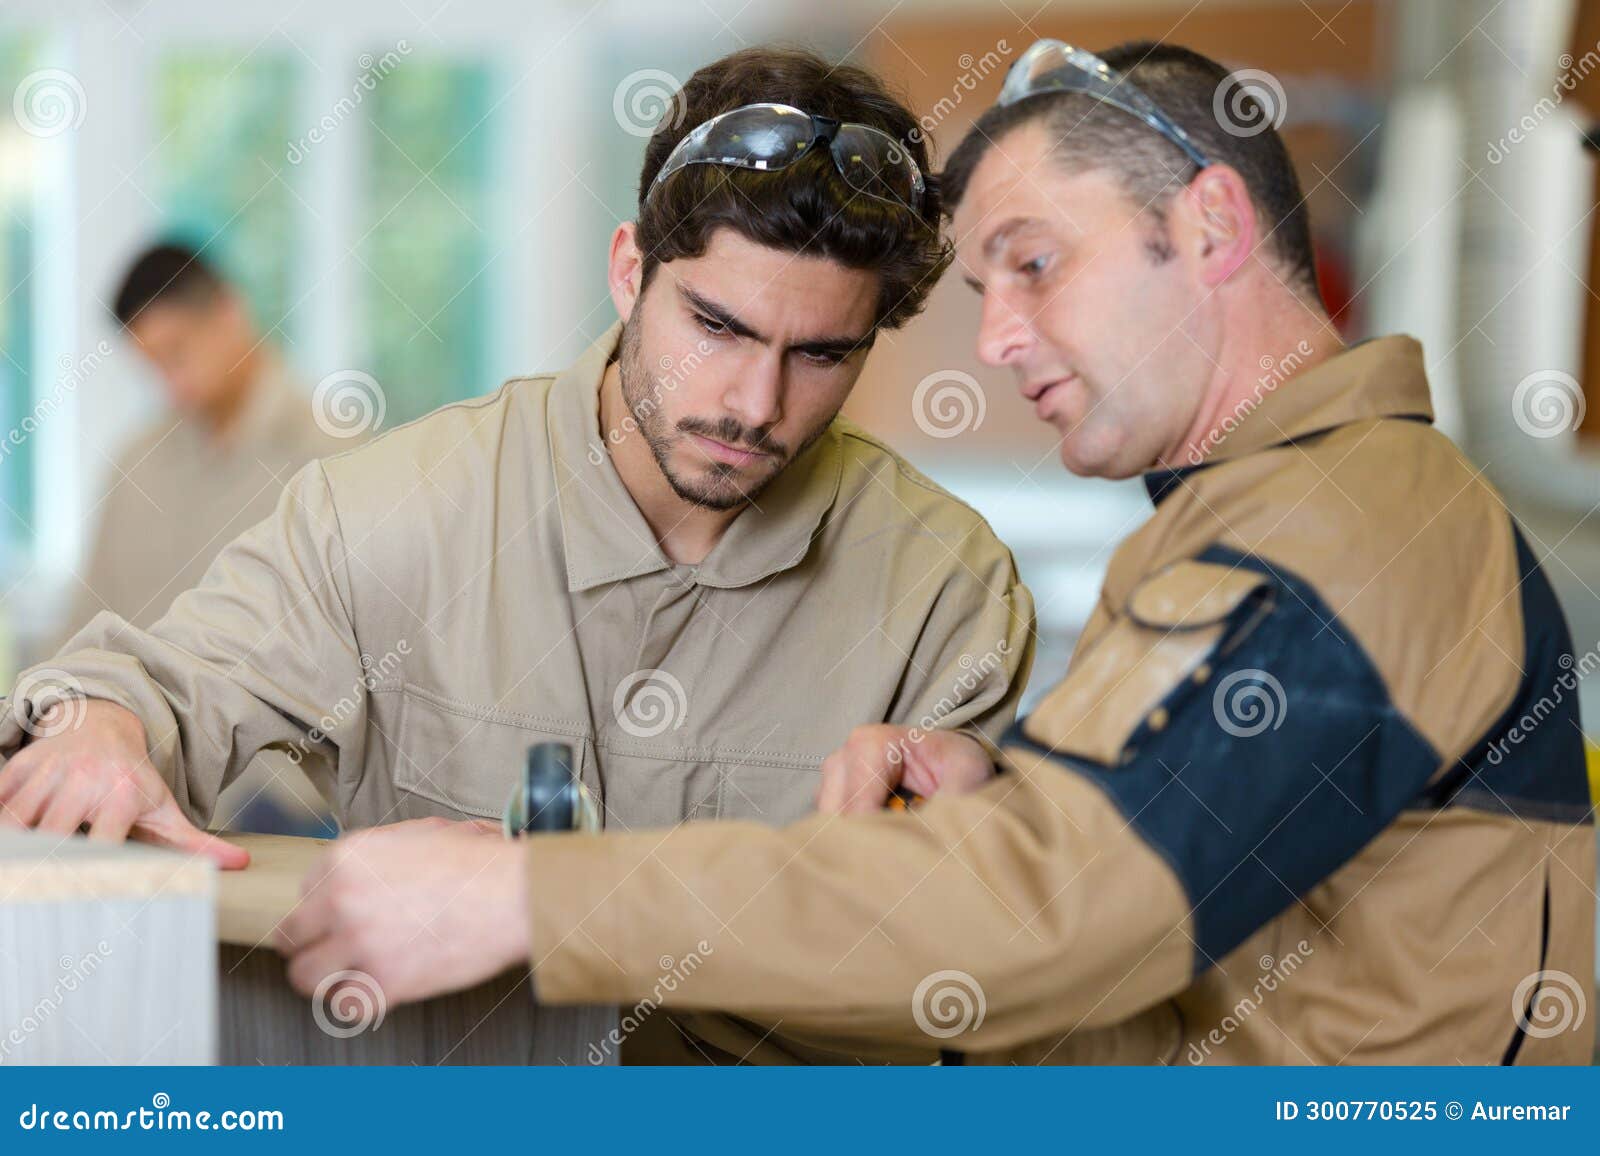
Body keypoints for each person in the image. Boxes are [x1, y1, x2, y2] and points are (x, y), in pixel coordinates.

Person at [250, 40, 1592, 1066]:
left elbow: (1052, 915)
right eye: (983, 291)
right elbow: (1149, 914)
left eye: (1034, 264)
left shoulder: (1344, 520)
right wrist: (1005, 805)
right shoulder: (1263, 514)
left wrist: (534, 900)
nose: (996, 342)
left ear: (1208, 228)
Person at [0, 48, 1034, 1064]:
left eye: (820, 354)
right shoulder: (388, 511)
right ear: (629, 271)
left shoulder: (948, 593)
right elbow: (161, 684)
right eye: (716, 327)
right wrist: (102, 718)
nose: (755, 405)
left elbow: (973, 974)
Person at [50, 242, 351, 834]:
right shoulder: (137, 467)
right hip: (137, 789)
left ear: (230, 313)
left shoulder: (334, 456)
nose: (171, 384)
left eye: (177, 354)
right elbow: (82, 634)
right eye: (152, 366)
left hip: (289, 802)